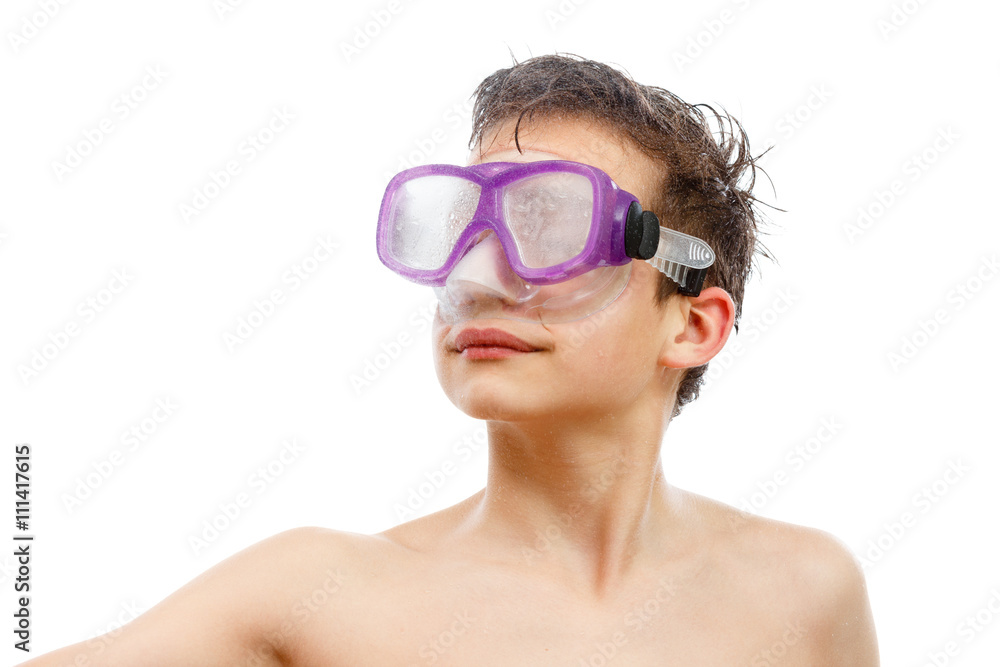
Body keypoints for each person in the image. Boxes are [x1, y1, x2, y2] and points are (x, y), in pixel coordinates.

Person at [21, 54, 879, 666]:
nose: (474, 277)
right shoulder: (317, 597)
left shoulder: (804, 594)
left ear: (692, 325)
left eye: (550, 227)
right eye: (457, 223)